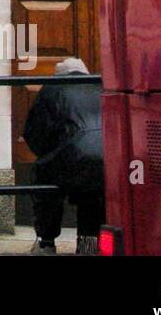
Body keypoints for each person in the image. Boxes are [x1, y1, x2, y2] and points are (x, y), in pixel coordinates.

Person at [23, 57, 105, 255]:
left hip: (68, 156)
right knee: (91, 194)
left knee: (44, 182)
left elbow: (33, 132)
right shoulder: (99, 86)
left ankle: (47, 242)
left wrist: (46, 153)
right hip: (103, 157)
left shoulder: (52, 88)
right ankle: (88, 247)